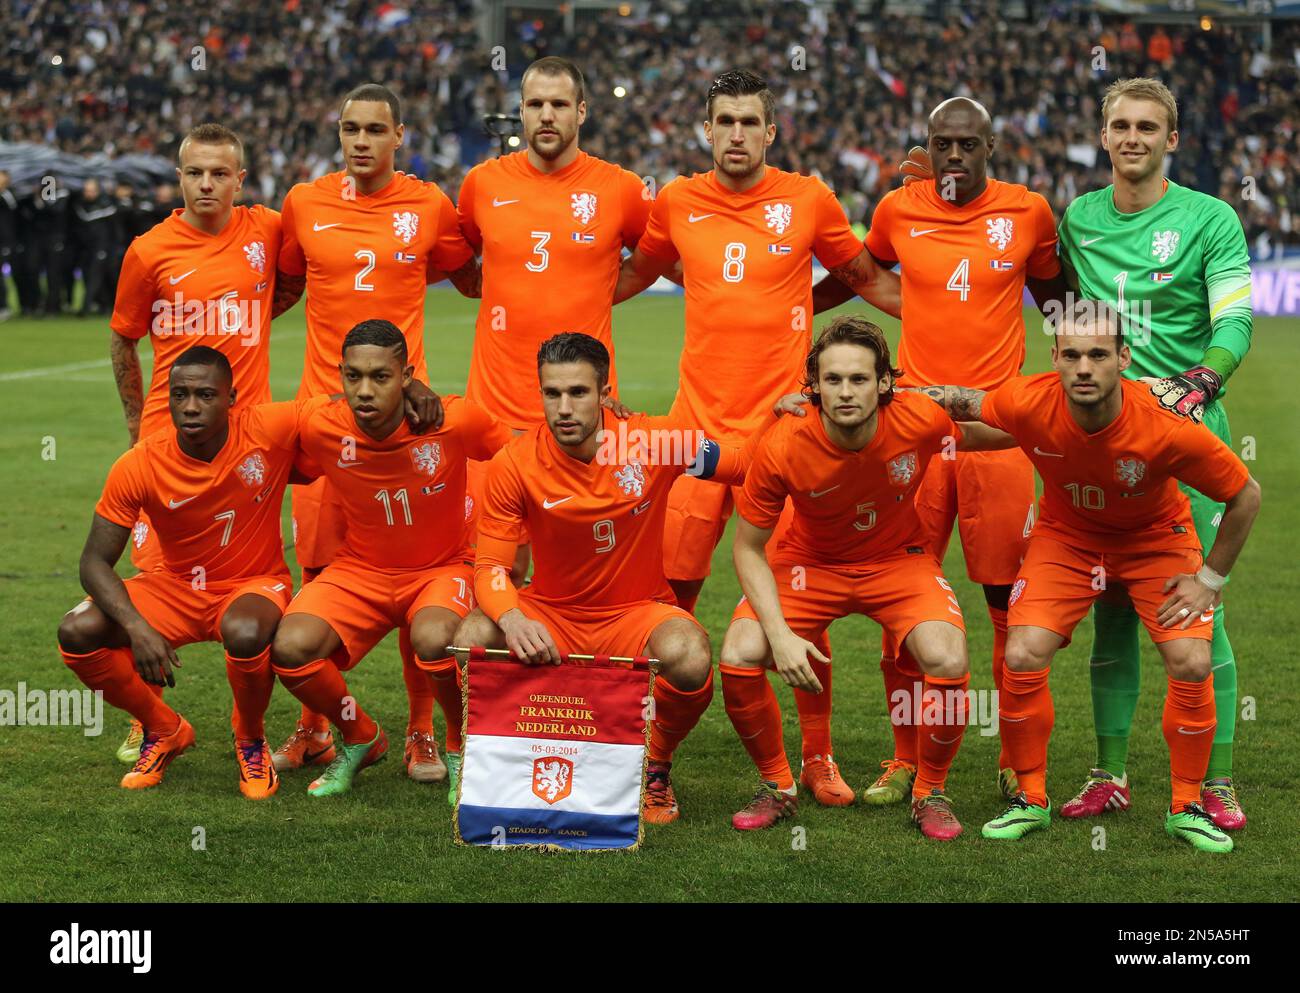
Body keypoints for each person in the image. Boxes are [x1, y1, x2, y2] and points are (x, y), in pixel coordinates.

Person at [613, 69, 903, 806]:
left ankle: (816, 757)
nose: (736, 134)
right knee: (668, 603)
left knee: (801, 600)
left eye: (750, 121)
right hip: (694, 440)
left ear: (772, 131)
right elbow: (624, 276)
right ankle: (652, 758)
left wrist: (949, 306)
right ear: (706, 130)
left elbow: (864, 277)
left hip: (787, 441)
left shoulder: (808, 199)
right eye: (724, 121)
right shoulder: (677, 201)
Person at [914, 305, 1259, 852]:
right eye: (1071, 354)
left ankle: (1187, 806)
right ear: (1053, 358)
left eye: (1098, 355)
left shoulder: (1167, 424)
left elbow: (1245, 495)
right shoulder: (1029, 398)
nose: (1083, 367)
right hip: (1067, 540)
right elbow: (955, 400)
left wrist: (1209, 580)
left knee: (1192, 660)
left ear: (1123, 358)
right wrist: (842, 401)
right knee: (1022, 653)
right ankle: (1030, 799)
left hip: (1156, 541)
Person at [812, 97, 1068, 807]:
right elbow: (865, 272)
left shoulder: (1030, 213)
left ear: (991, 147)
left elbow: (1057, 293)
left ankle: (1020, 764)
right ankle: (905, 760)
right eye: (942, 145)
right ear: (928, 146)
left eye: (968, 145)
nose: (955, 157)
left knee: (1007, 609)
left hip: (998, 437)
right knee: (905, 603)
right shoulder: (899, 209)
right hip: (913, 440)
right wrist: (796, 300)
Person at [720, 316, 1015, 839]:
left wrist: (1051, 434)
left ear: (884, 383)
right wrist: (782, 637)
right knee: (741, 652)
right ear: (813, 386)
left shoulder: (918, 416)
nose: (845, 391)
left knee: (947, 656)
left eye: (859, 379)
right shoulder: (784, 443)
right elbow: (747, 548)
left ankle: (930, 791)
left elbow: (981, 433)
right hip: (809, 565)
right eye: (832, 380)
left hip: (898, 561)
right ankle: (779, 786)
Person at [1056, 78, 1255, 829]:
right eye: (1120, 125)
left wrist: (1201, 380)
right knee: (1110, 610)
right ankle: (1110, 773)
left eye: (1148, 126)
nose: (1132, 137)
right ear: (1103, 137)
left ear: (1172, 139)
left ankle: (1216, 779)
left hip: (1187, 436)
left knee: (1203, 612)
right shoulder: (1078, 218)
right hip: (1100, 445)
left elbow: (1233, 319)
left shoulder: (1211, 218)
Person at [454, 332, 756, 824]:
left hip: (634, 612)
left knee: (690, 655)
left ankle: (655, 763)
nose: (564, 408)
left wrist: (799, 420)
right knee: (471, 636)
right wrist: (511, 617)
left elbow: (745, 463)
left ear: (605, 393)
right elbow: (489, 568)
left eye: (578, 393)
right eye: (552, 394)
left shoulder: (655, 442)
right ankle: (508, 761)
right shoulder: (515, 463)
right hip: (552, 611)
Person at [272, 83, 481, 783]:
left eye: (374, 130)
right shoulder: (304, 203)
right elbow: (285, 286)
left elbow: (473, 276)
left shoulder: (429, 206)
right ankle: (320, 728)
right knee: (320, 576)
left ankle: (424, 731)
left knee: (413, 574)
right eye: (349, 128)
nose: (361, 141)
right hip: (323, 425)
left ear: (400, 135)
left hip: (399, 423)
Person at [270, 320, 511, 797]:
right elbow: (238, 426)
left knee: (435, 636)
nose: (364, 390)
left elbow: (523, 457)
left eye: (381, 377)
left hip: (442, 569)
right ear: (339, 375)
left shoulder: (455, 420)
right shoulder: (319, 422)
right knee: (290, 648)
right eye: (353, 376)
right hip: (360, 571)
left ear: (407, 376)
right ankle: (361, 736)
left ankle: (460, 746)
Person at [56, 348, 311, 798]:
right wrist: (136, 626)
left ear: (232, 398)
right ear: (168, 399)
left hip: (249, 584)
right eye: (180, 395)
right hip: (172, 587)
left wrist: (412, 394)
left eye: (205, 394)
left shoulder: (268, 428)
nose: (191, 406)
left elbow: (346, 409)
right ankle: (164, 728)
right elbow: (93, 562)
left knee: (248, 631)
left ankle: (250, 740)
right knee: (78, 632)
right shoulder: (139, 462)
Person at [107, 122, 282, 763]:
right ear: (179, 178)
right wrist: (136, 426)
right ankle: (152, 717)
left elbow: (283, 288)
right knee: (155, 582)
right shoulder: (149, 250)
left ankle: (249, 726)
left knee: (246, 585)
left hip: (246, 446)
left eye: (219, 173)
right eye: (193, 173)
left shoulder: (266, 231)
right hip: (165, 442)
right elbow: (123, 335)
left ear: (240, 179)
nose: (206, 184)